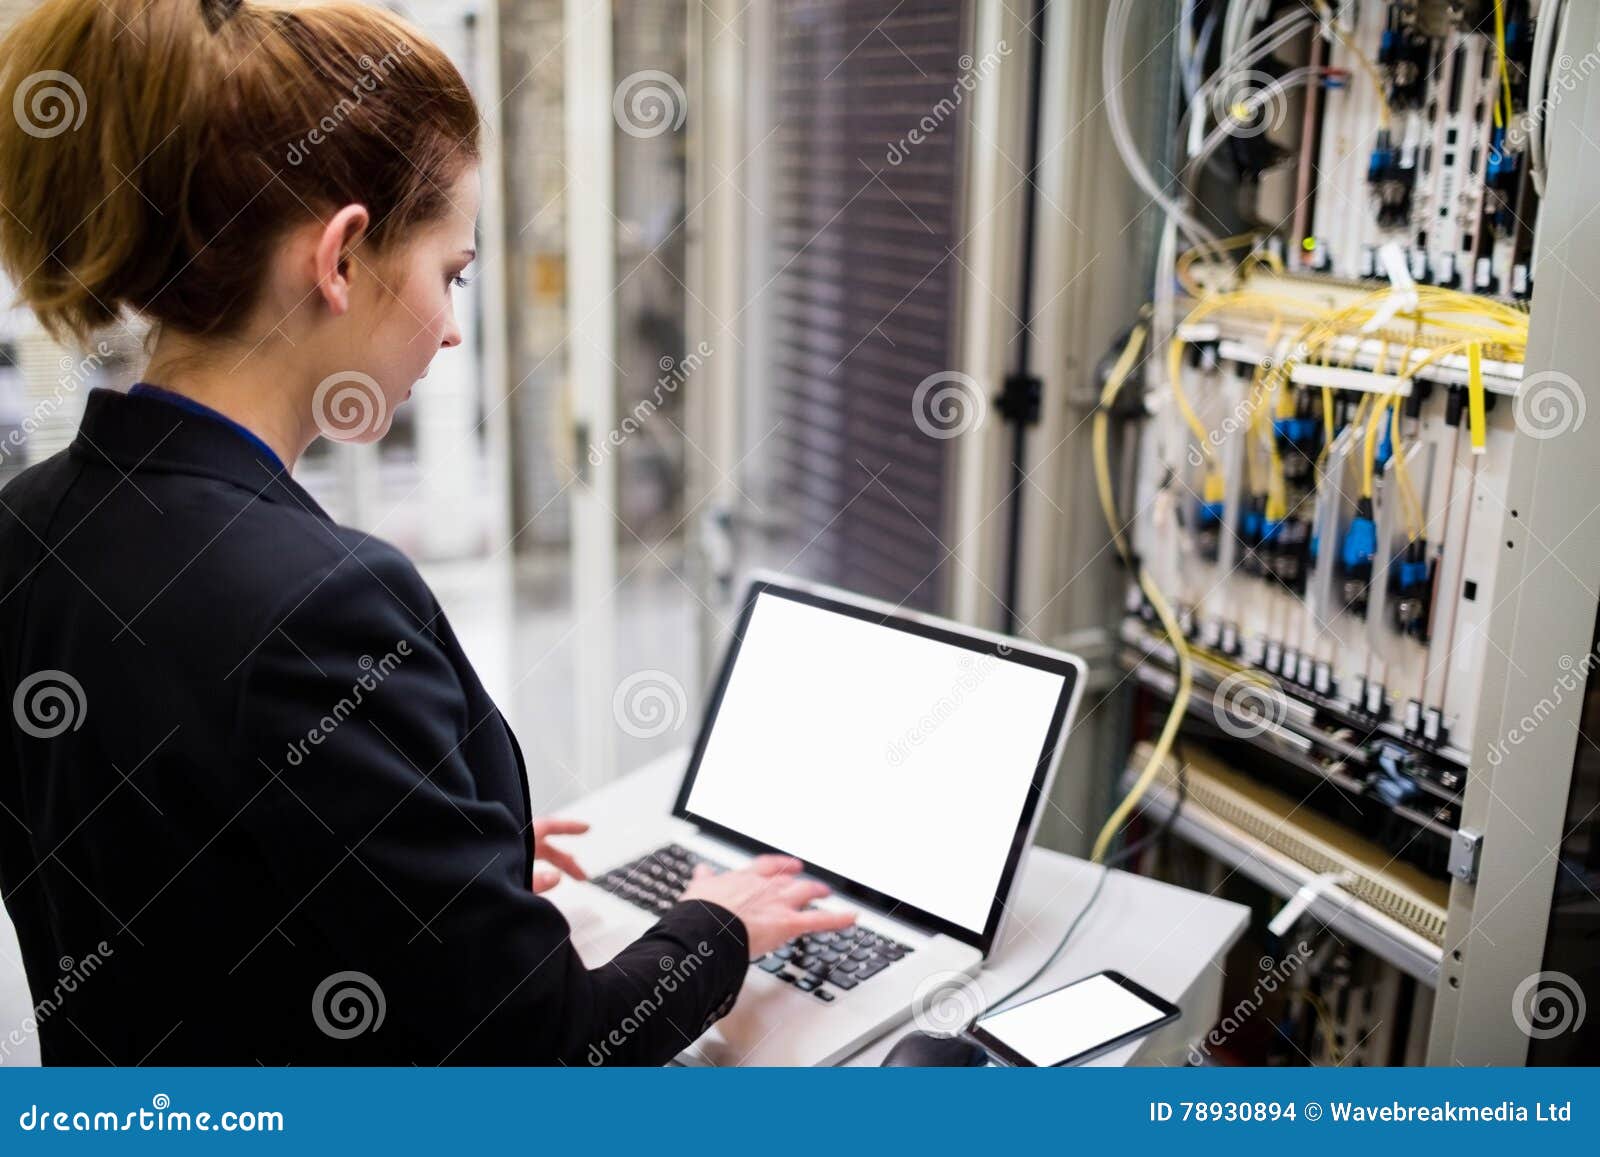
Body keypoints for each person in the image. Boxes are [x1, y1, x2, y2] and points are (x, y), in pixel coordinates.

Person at [0, 0, 852, 1065]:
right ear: (342, 258)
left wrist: (428, 866)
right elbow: (542, 1049)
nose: (454, 325)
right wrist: (718, 927)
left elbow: (171, 882)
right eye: (450, 271)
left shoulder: (25, 530)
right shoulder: (319, 603)